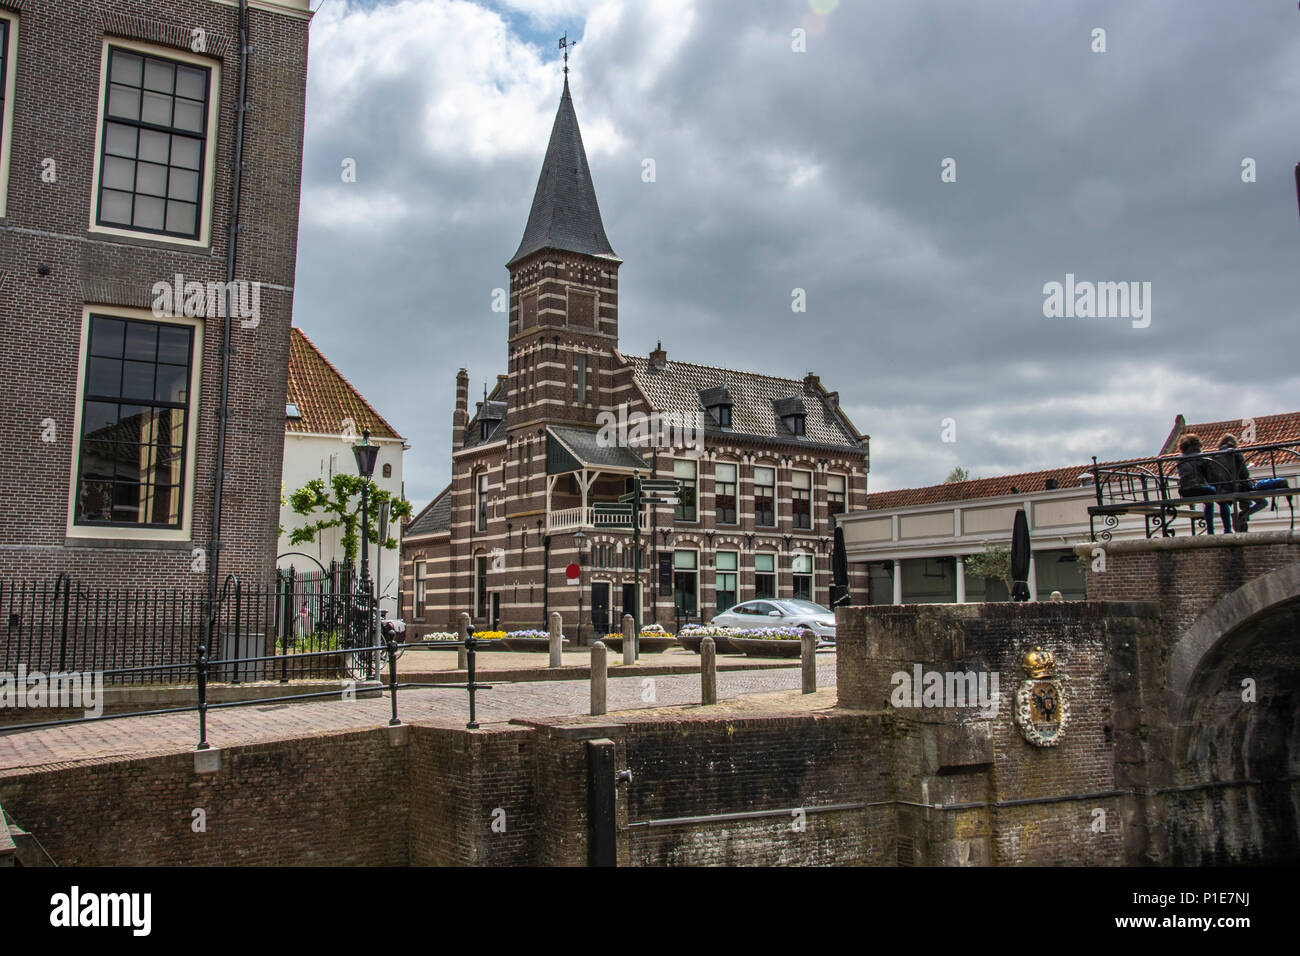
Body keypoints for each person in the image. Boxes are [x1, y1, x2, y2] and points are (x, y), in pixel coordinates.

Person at [1178, 433, 1232, 534]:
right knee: (1222, 498)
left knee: (1209, 501)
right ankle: (1227, 529)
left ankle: (1210, 531)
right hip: (1198, 488)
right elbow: (1210, 476)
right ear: (1197, 444)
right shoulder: (1201, 457)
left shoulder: (1179, 458)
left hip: (1184, 490)